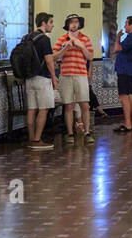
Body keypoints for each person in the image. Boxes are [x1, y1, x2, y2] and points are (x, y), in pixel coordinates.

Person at [54, 14, 96, 145]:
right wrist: (65, 48)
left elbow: (90, 57)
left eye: (76, 22)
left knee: (84, 104)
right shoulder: (61, 39)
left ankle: (87, 132)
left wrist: (81, 46)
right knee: (69, 105)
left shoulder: (85, 39)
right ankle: (70, 133)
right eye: (71, 22)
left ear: (79, 24)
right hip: (66, 75)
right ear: (67, 24)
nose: (74, 24)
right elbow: (55, 57)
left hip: (81, 75)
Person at [26, 12, 59, 150]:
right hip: (42, 78)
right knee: (43, 109)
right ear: (44, 23)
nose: (52, 25)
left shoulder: (27, 37)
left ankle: (31, 139)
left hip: (29, 78)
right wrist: (53, 77)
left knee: (32, 109)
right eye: (51, 22)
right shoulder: (44, 39)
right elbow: (48, 59)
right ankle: (38, 140)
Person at [113, 15, 132, 133]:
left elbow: (117, 48)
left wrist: (117, 37)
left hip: (126, 70)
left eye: (126, 23)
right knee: (130, 96)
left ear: (131, 25)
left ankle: (127, 124)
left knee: (124, 97)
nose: (124, 26)